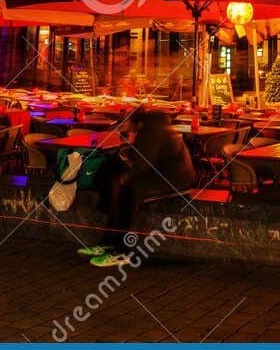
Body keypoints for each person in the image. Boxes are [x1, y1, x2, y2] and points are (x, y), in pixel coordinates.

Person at [78, 110, 194, 268]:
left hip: (172, 182)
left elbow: (144, 164)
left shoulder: (152, 133)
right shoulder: (152, 129)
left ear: (136, 122)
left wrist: (126, 176)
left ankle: (120, 250)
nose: (124, 126)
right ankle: (109, 241)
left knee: (124, 193)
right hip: (166, 175)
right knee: (112, 175)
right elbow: (141, 159)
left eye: (126, 122)